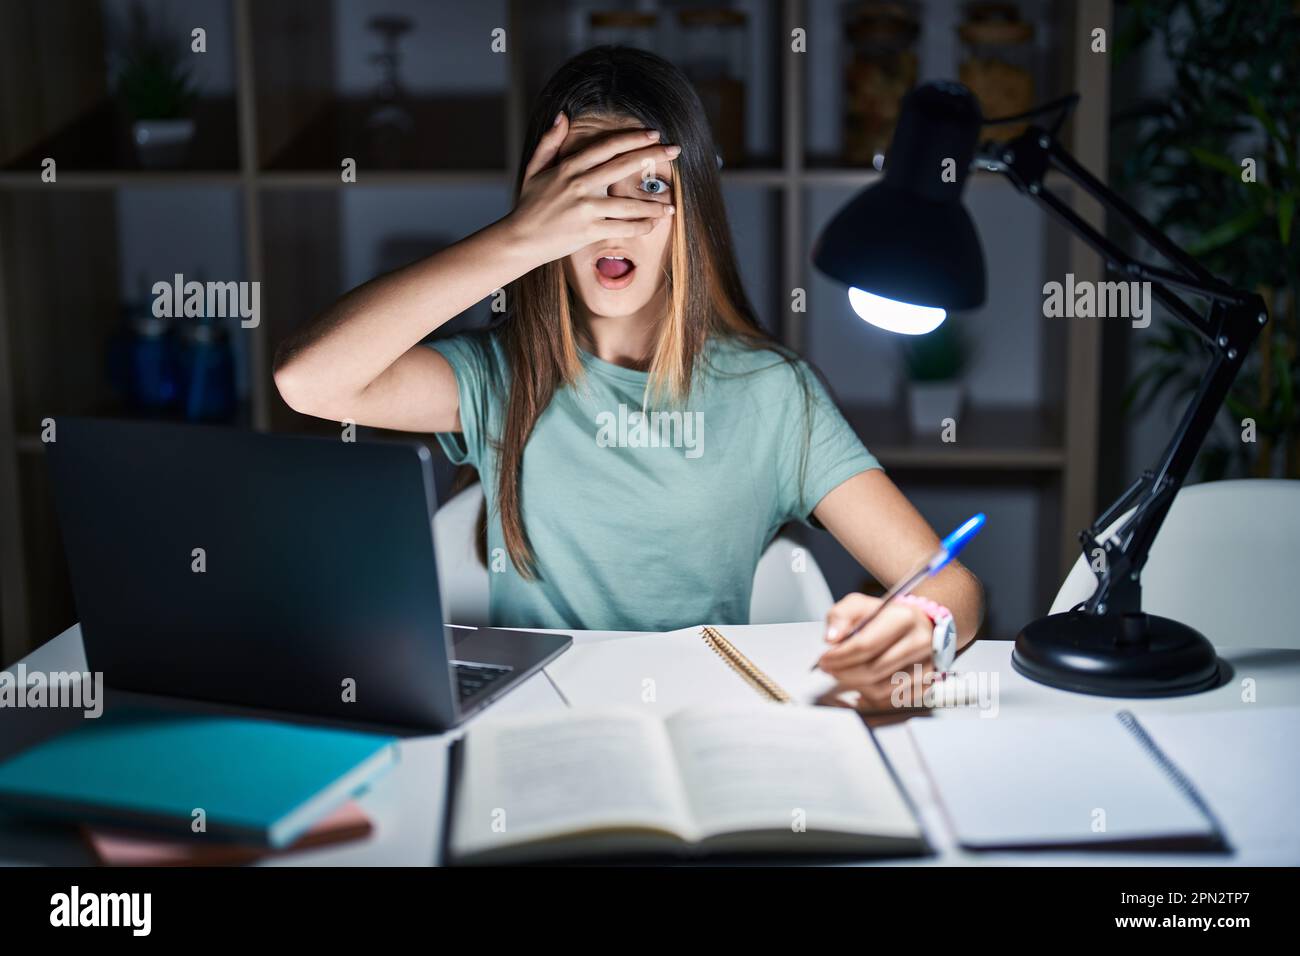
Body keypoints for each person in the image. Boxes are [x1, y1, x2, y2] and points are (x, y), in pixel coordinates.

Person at [273, 46, 983, 705]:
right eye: (582, 186)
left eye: (648, 184)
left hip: (711, 723)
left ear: (691, 212)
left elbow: (950, 582)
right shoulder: (502, 376)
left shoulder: (774, 396)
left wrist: (926, 629)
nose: (614, 220)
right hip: (534, 722)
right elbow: (309, 380)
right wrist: (518, 238)